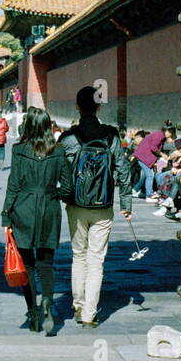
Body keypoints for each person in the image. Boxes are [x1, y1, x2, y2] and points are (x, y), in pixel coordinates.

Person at [56, 86, 133, 328]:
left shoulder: (67, 139)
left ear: (77, 106)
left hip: (76, 205)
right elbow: (123, 168)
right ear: (98, 106)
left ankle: (78, 306)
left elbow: (57, 170)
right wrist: (127, 203)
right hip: (103, 205)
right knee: (96, 260)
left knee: (78, 255)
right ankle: (90, 313)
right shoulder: (111, 136)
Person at [1, 107, 63, 334]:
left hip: (23, 209)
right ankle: (47, 300)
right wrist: (52, 194)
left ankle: (34, 312)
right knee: (46, 263)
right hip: (49, 208)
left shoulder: (18, 150)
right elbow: (65, 186)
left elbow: (14, 184)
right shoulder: (58, 150)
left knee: (27, 264)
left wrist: (6, 214)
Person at [133, 125, 167, 200]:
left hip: (142, 157)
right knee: (150, 176)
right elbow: (153, 147)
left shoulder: (157, 134)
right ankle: (149, 195)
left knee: (148, 175)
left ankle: (140, 191)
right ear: (166, 131)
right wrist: (162, 154)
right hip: (143, 157)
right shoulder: (159, 135)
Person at [153, 147, 181, 218]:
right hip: (177, 171)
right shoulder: (178, 153)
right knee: (160, 176)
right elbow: (169, 159)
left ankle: (165, 201)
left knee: (172, 178)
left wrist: (179, 170)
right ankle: (164, 199)